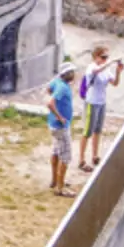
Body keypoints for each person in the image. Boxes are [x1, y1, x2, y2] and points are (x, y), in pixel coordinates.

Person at [77, 46, 124, 173]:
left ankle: (95, 155)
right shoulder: (92, 68)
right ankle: (81, 159)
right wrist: (111, 62)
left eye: (106, 57)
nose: (105, 60)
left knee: (98, 130)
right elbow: (97, 71)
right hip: (91, 102)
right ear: (96, 57)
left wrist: (118, 72)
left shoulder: (105, 70)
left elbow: (115, 83)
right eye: (103, 57)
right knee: (87, 131)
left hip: (101, 102)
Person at [46, 60, 78, 198]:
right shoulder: (63, 87)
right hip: (60, 126)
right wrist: (59, 116)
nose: (74, 75)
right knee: (65, 156)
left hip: (53, 125)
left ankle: (55, 180)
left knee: (56, 152)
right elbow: (50, 102)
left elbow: (48, 89)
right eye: (72, 72)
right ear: (68, 74)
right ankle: (60, 188)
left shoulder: (56, 82)